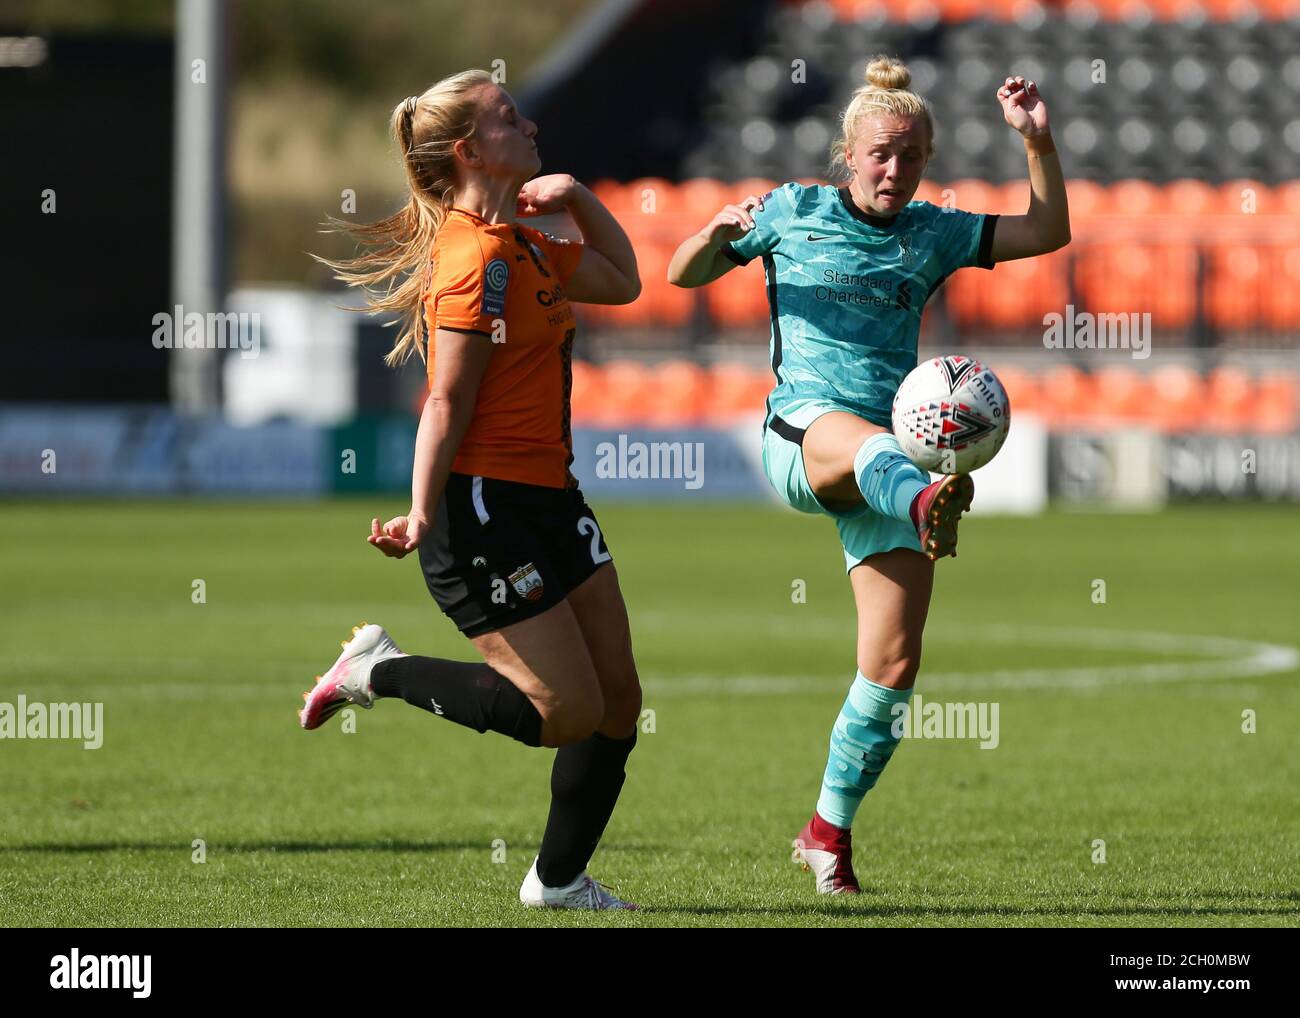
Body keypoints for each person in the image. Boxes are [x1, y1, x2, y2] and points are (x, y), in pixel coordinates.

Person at [668, 57, 1070, 894]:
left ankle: (827, 833)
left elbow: (1045, 232)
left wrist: (1037, 142)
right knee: (864, 444)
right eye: (882, 153)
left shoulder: (934, 230)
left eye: (913, 155)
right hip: (803, 438)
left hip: (888, 457)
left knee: (891, 670)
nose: (897, 170)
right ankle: (929, 499)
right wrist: (711, 238)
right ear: (847, 154)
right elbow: (683, 276)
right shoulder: (790, 211)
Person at [302, 69, 644, 910]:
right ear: (470, 149)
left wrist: (581, 198)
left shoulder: (523, 238)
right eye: (508, 118)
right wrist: (421, 512)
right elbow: (445, 400)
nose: (529, 126)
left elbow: (624, 279)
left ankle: (558, 882)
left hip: (551, 499)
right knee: (565, 713)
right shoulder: (475, 258)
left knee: (620, 703)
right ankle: (377, 671)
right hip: (484, 509)